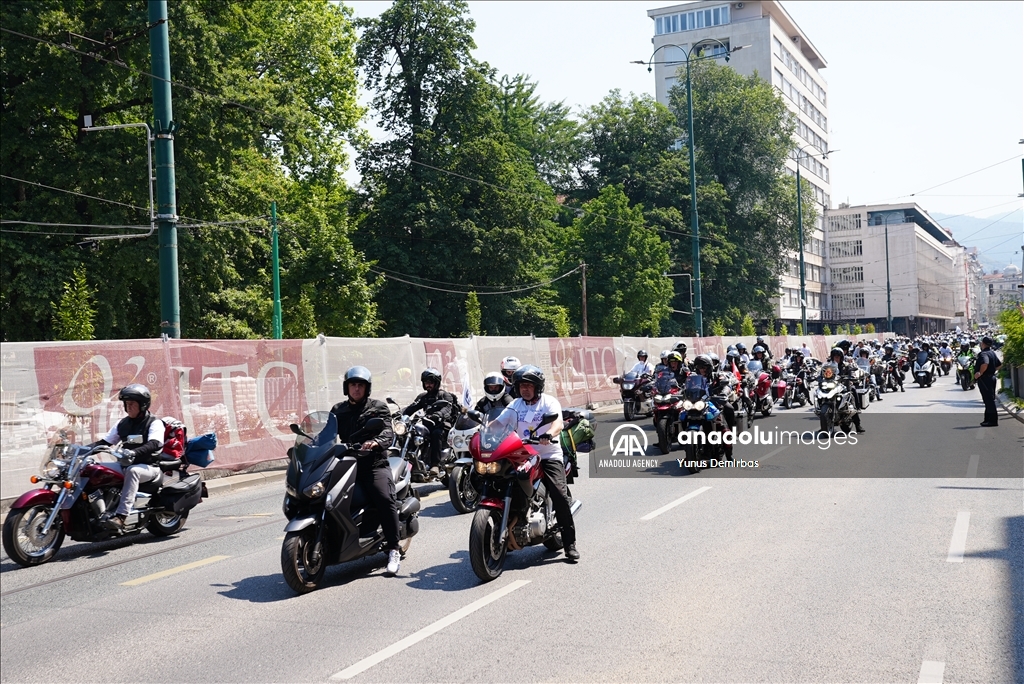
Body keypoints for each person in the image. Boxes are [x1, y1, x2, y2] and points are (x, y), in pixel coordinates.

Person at [500, 366, 578, 561]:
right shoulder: (515, 405)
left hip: (548, 455)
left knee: (559, 495)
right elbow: (498, 423)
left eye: (529, 385)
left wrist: (549, 435)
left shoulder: (549, 402)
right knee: (500, 481)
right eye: (521, 386)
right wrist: (480, 430)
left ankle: (569, 544)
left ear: (537, 387)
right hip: (522, 454)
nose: (525, 389)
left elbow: (557, 424)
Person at [330, 366, 402, 576]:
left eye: (360, 385)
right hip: (346, 464)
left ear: (367, 388)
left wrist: (376, 443)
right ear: (347, 387)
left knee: (384, 498)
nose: (356, 389)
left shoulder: (377, 408)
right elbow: (326, 434)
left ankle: (394, 549)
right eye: (353, 384)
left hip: (373, 465)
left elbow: (388, 432)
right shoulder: (338, 410)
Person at [91, 384, 167, 531]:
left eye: (132, 404)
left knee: (133, 471)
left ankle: (121, 516)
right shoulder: (122, 424)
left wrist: (134, 452)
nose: (128, 407)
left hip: (149, 467)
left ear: (143, 405)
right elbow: (105, 442)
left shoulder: (154, 422)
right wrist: (82, 450)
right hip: (124, 464)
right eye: (126, 404)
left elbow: (155, 443)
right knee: (93, 468)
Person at [403, 368, 457, 477]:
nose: (428, 385)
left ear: (436, 383)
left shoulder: (444, 395)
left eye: (431, 382)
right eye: (426, 382)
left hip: (442, 425)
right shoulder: (423, 397)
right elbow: (411, 408)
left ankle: (435, 464)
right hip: (427, 424)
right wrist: (400, 414)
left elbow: (447, 408)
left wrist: (438, 415)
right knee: (412, 432)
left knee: (436, 433)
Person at [823, 348, 865, 433]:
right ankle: (824, 423)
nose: (836, 359)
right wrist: (820, 378)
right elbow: (822, 374)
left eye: (838, 357)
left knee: (852, 393)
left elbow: (851, 372)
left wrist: (851, 377)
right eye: (835, 357)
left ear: (841, 357)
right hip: (832, 387)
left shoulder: (846, 365)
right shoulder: (828, 366)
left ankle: (858, 424)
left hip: (844, 386)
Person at [974, 336, 1001, 427]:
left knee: (989, 400)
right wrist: (992, 370)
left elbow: (985, 363)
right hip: (991, 378)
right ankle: (987, 419)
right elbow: (999, 365)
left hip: (985, 379)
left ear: (983, 344)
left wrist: (980, 373)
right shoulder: (992, 353)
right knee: (988, 399)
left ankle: (993, 421)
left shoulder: (984, 354)